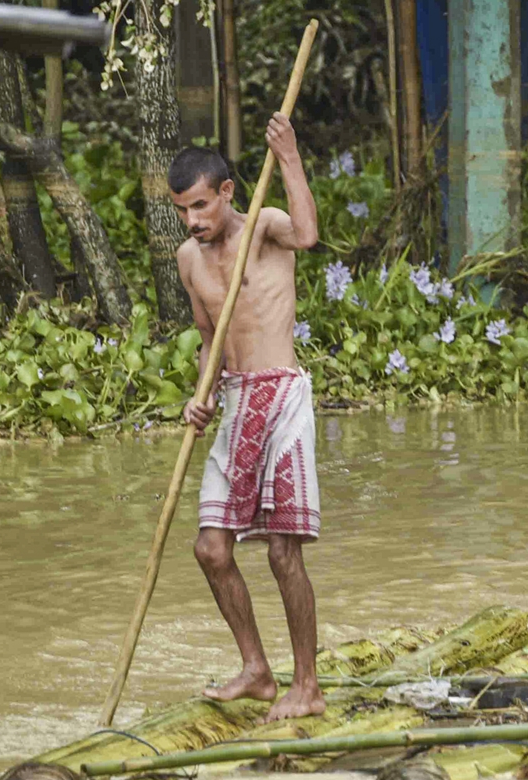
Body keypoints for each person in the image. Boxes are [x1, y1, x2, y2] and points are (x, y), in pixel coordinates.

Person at [169, 113, 324, 722]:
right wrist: (200, 394)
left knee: (283, 553)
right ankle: (257, 670)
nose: (193, 221)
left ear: (227, 191)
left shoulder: (263, 224)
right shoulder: (189, 259)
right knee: (211, 549)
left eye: (201, 206)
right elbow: (210, 338)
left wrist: (289, 156)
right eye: (183, 210)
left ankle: (307, 686)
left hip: (282, 397)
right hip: (236, 403)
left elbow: (308, 235)